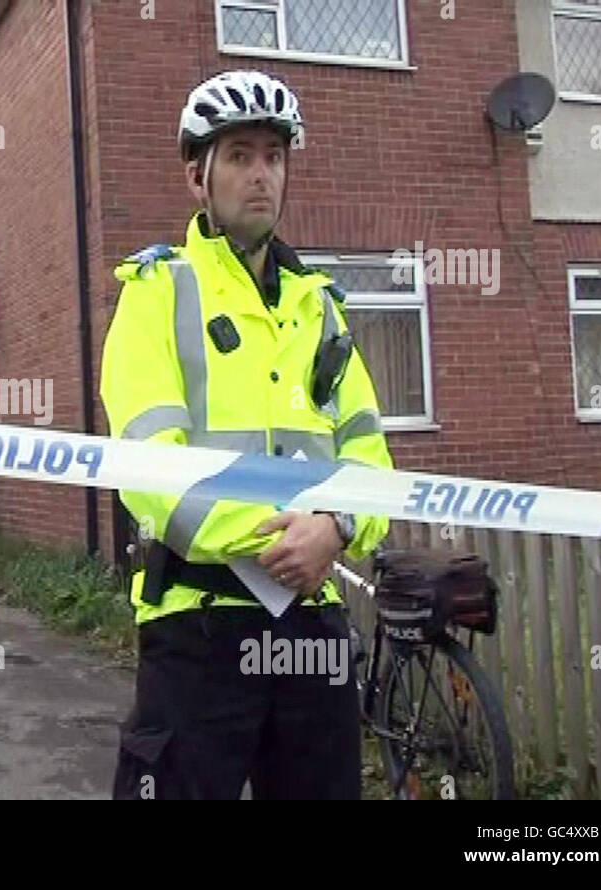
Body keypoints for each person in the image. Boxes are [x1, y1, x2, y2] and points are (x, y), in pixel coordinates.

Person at [99, 70, 394, 800]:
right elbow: (151, 467)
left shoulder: (322, 308)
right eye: (238, 156)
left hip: (312, 627)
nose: (260, 174)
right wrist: (282, 540)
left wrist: (338, 525)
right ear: (197, 176)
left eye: (273, 155)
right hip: (198, 630)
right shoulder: (156, 292)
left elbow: (369, 455)